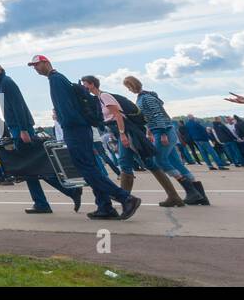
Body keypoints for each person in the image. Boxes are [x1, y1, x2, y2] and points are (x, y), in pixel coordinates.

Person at [29, 55, 140, 220]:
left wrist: (66, 123)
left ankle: (126, 198)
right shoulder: (60, 79)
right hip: (81, 128)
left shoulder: (56, 80)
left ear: (46, 63)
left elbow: (66, 109)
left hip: (75, 130)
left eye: (37, 64)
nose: (36, 68)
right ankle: (104, 207)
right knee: (91, 168)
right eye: (34, 66)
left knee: (86, 169)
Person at [0, 59, 81, 214]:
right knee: (29, 169)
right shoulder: (1, 83)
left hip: (21, 129)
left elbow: (18, 105)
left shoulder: (7, 82)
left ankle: (65, 194)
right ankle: (43, 202)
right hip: (17, 128)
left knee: (32, 167)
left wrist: (23, 130)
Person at [81, 75, 189, 208]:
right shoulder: (98, 99)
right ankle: (173, 196)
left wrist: (122, 134)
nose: (83, 87)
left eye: (84, 84)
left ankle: (126, 200)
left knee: (125, 163)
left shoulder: (104, 96)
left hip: (126, 131)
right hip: (122, 131)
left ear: (92, 84)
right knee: (149, 163)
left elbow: (118, 115)